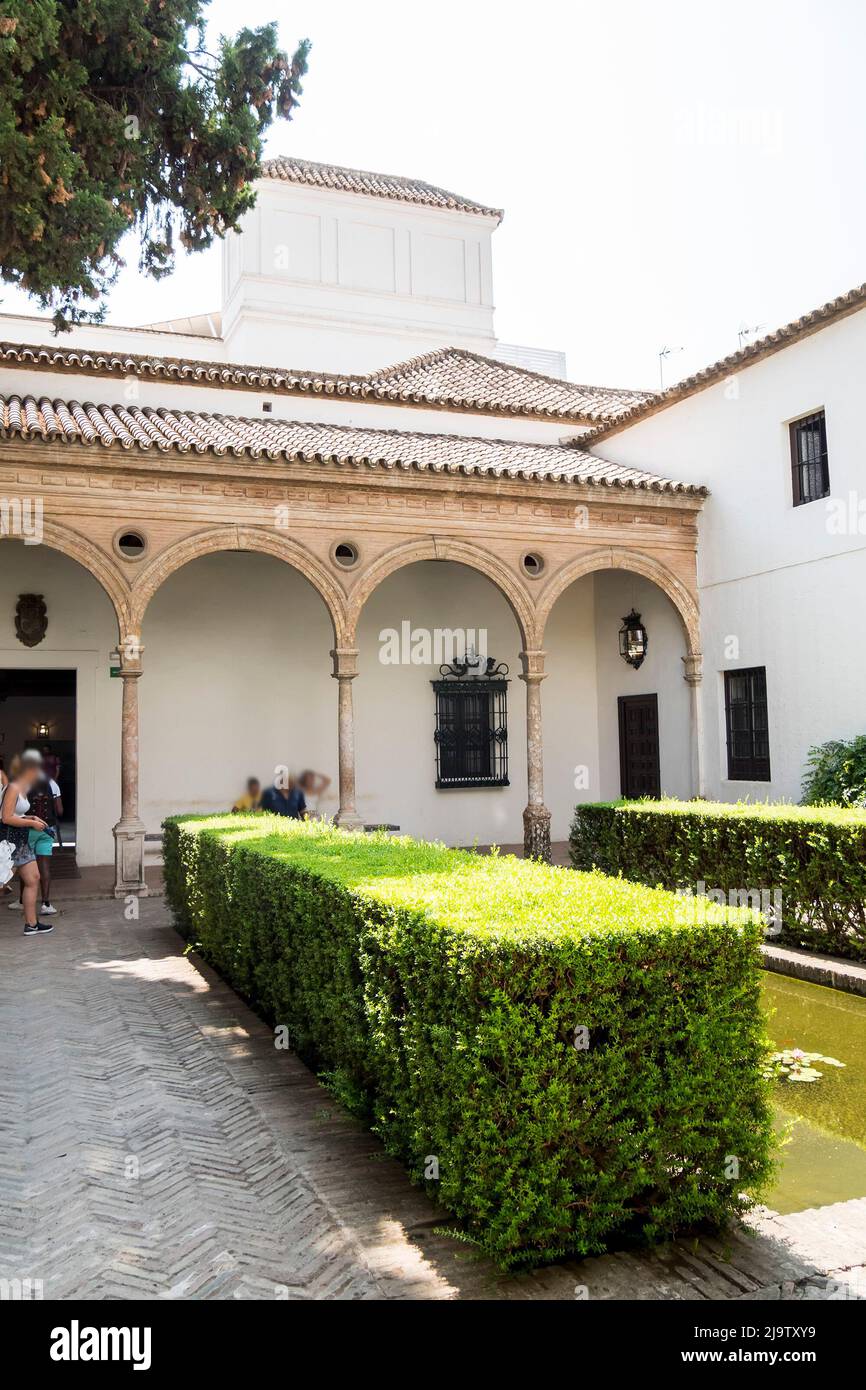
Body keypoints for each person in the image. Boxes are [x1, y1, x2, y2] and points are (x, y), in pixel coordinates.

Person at [1, 750, 53, 936]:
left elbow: (15, 814)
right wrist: (32, 823)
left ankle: (31, 924)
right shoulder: (13, 788)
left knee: (33, 879)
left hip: (20, 841)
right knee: (1, 884)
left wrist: (31, 816)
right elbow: (6, 818)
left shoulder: (22, 789)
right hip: (9, 842)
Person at [24, 754, 63, 915]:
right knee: (44, 866)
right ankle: (46, 904)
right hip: (47, 829)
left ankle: (22, 901)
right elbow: (59, 810)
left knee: (25, 866)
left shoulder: (25, 783)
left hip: (28, 829)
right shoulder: (52, 784)